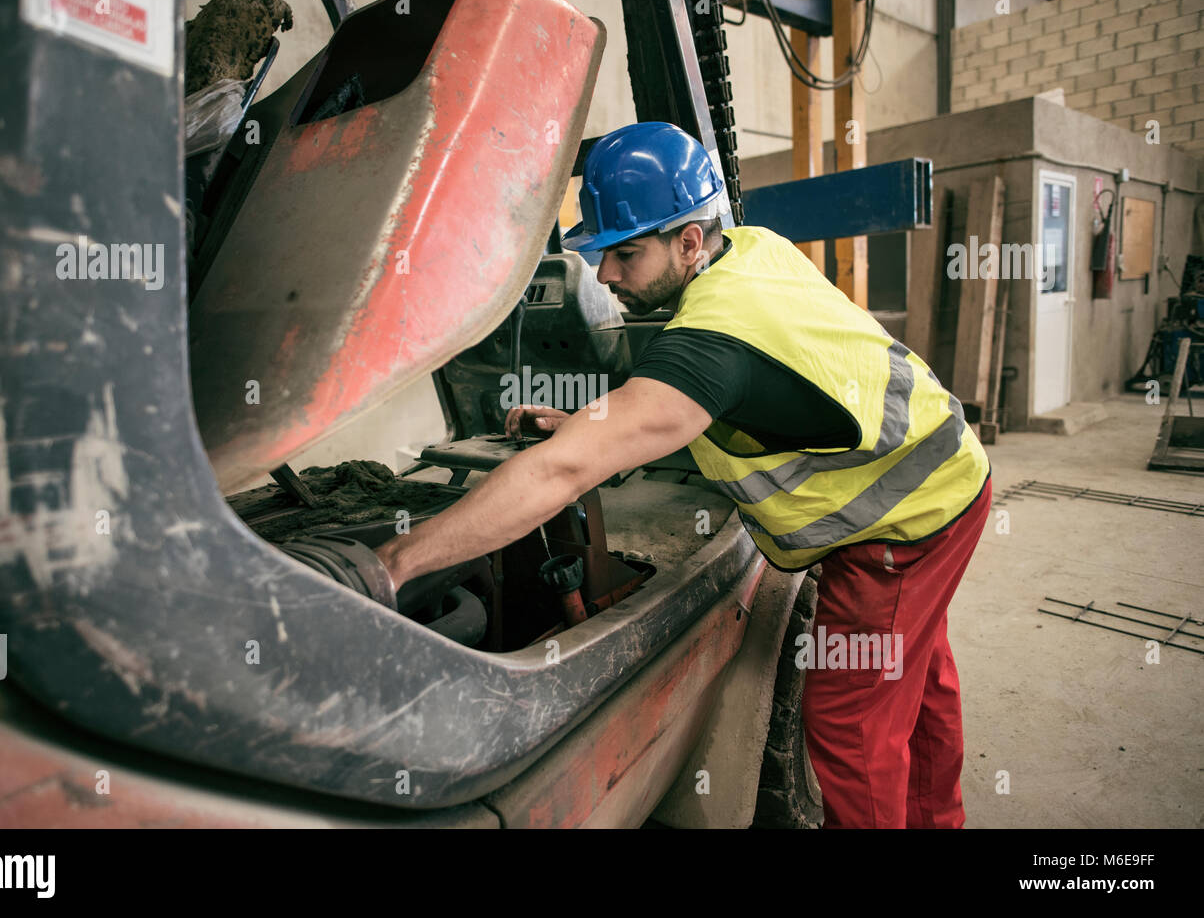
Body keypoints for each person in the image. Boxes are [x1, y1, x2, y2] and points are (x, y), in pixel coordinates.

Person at [374, 121, 991, 828]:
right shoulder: (753, 250)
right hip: (946, 468)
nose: (605, 274)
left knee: (850, 719)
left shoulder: (711, 341)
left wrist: (395, 563)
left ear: (690, 241)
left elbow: (561, 473)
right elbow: (706, 391)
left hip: (907, 520)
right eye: (602, 253)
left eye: (625, 253)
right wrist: (592, 418)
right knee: (920, 679)